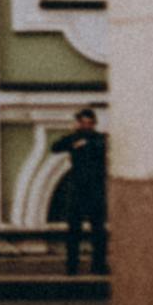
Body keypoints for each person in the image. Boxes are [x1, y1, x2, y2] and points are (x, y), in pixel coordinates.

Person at [51, 107, 108, 276]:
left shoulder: (99, 139)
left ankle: (98, 265)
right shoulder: (73, 138)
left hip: (95, 189)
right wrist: (74, 139)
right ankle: (72, 266)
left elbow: (101, 147)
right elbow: (55, 147)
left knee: (98, 230)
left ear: (94, 124)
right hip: (78, 189)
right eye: (83, 123)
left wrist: (85, 143)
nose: (87, 126)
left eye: (90, 123)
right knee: (74, 230)